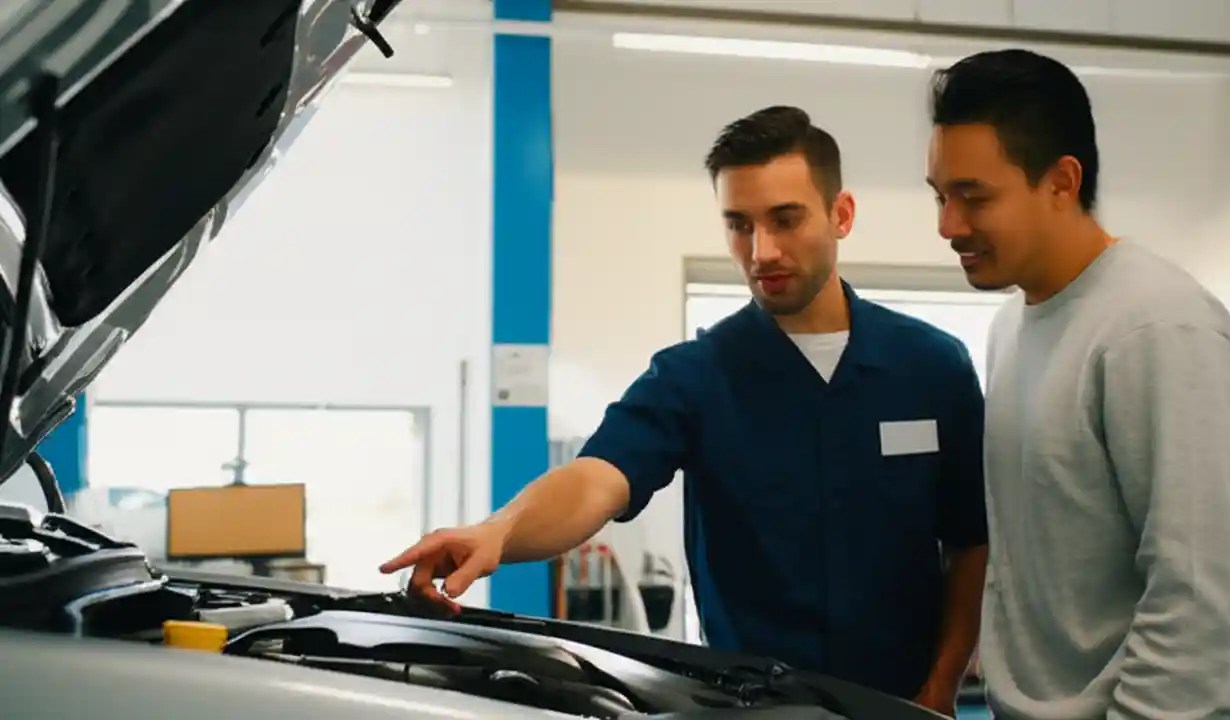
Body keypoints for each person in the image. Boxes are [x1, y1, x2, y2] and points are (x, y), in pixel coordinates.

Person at [382, 105, 989, 715]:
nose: (762, 251)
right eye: (739, 224)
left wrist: (941, 688)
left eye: (785, 219)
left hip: (902, 706)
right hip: (753, 708)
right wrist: (501, 530)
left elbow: (968, 543)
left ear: (842, 215)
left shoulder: (931, 368)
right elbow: (597, 479)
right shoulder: (695, 377)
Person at [926, 48, 1230, 720]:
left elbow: (1194, 601)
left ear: (1061, 181)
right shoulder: (1012, 327)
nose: (947, 225)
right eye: (940, 195)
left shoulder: (1159, 328)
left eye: (973, 196)